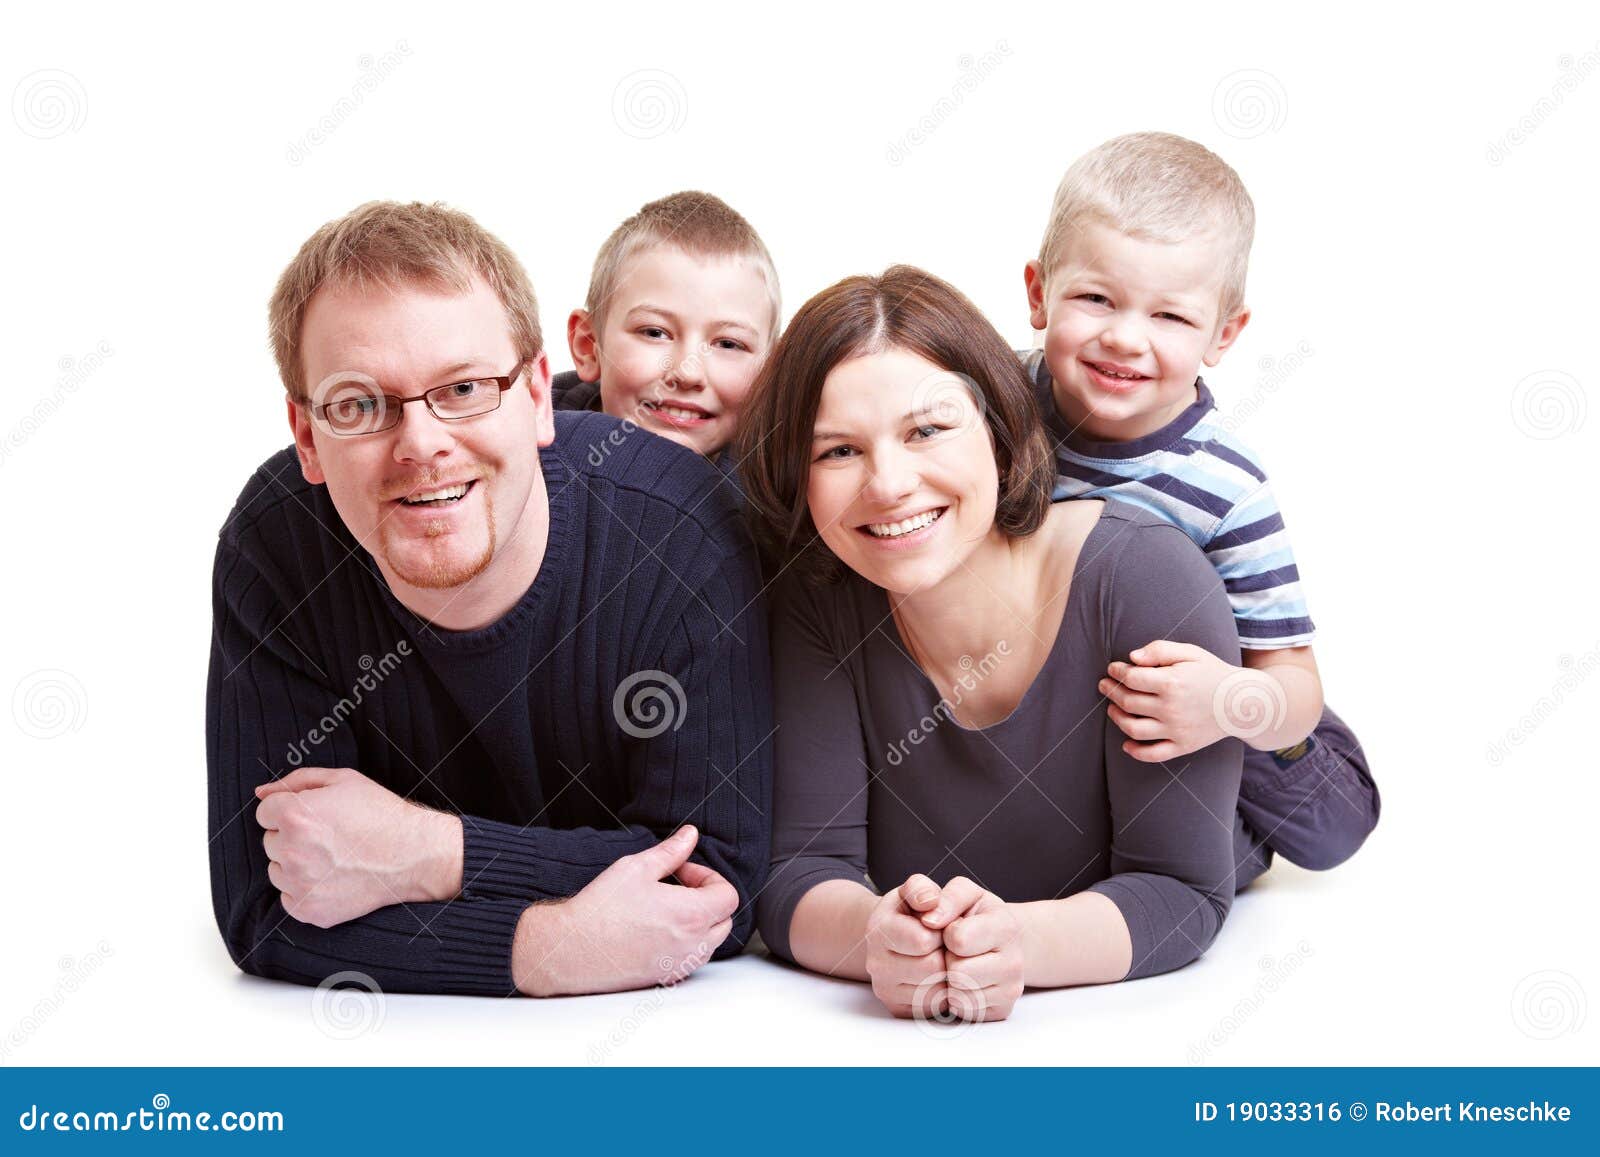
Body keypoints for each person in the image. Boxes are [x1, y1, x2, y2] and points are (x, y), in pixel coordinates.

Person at [207, 200, 771, 997]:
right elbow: (266, 905)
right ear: (307, 436)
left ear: (538, 394)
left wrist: (429, 853)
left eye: (465, 388)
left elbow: (715, 881)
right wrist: (542, 949)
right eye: (359, 404)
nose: (421, 444)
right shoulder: (277, 545)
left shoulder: (680, 528)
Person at [740, 266, 1245, 1023]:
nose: (888, 484)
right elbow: (800, 871)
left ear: (1001, 433)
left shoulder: (1146, 579)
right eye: (837, 451)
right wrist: (876, 936)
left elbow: (1182, 890)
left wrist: (1021, 945)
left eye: (926, 430)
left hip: (1267, 783)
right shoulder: (819, 603)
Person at [1023, 132, 1380, 878]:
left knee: (1331, 826)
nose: (1125, 338)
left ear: (1224, 334)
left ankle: (1249, 817)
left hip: (1220, 702)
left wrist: (1225, 701)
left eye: (1171, 317)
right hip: (1089, 705)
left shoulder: (1227, 489)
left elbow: (1293, 682)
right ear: (1037, 293)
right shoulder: (994, 404)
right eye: (1095, 298)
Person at [553, 190, 779, 491]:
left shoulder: (785, 494)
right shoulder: (524, 460)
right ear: (588, 347)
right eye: (655, 333)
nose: (688, 373)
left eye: (728, 344)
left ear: (771, 373)